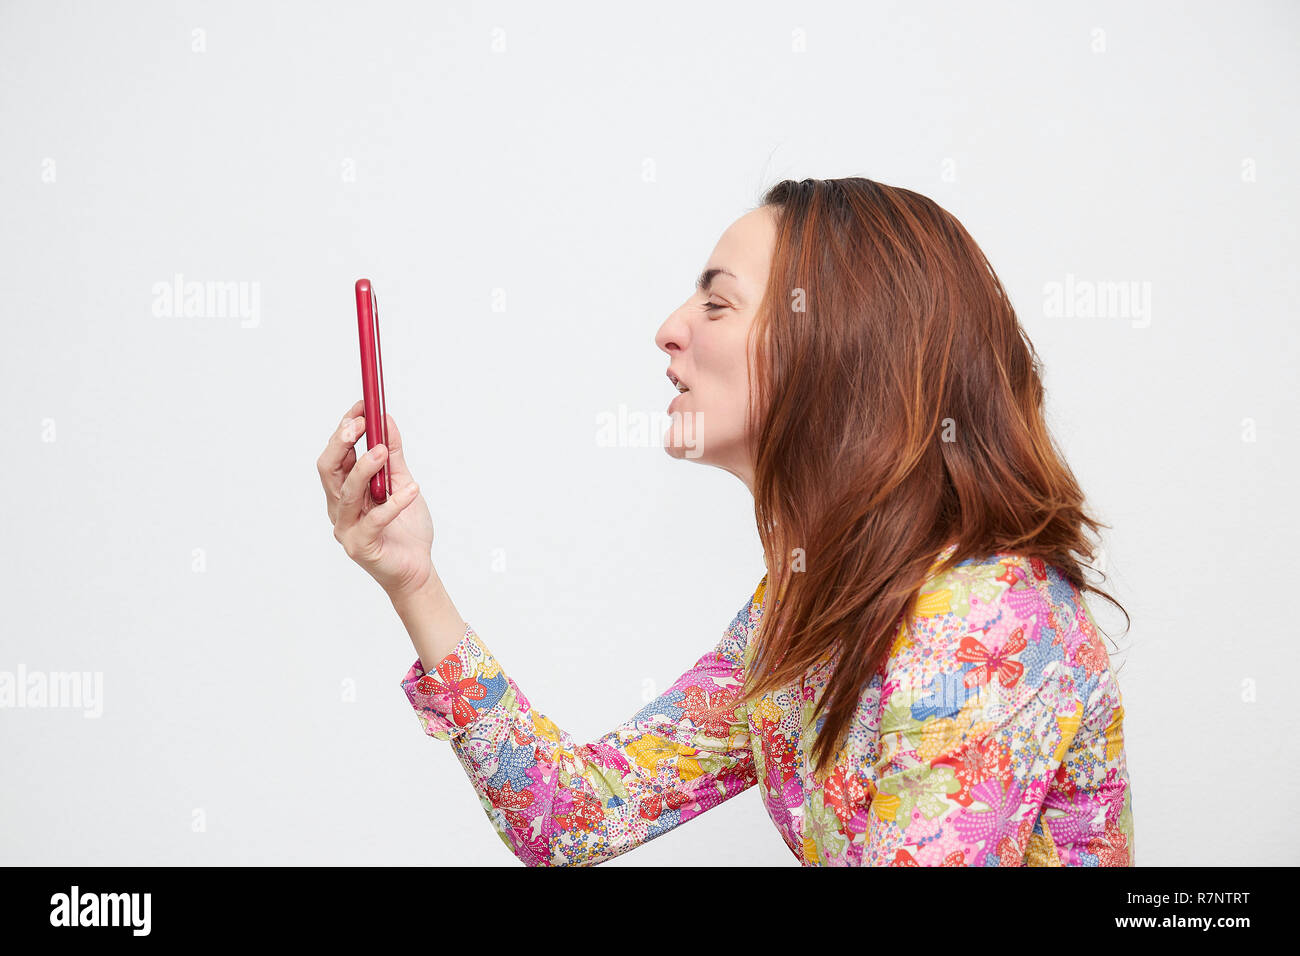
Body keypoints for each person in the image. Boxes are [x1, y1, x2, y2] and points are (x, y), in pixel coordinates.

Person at [316, 177, 1135, 867]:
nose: (670, 328)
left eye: (717, 303)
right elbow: (576, 814)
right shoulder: (805, 606)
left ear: (842, 343)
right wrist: (413, 578)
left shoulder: (986, 617)